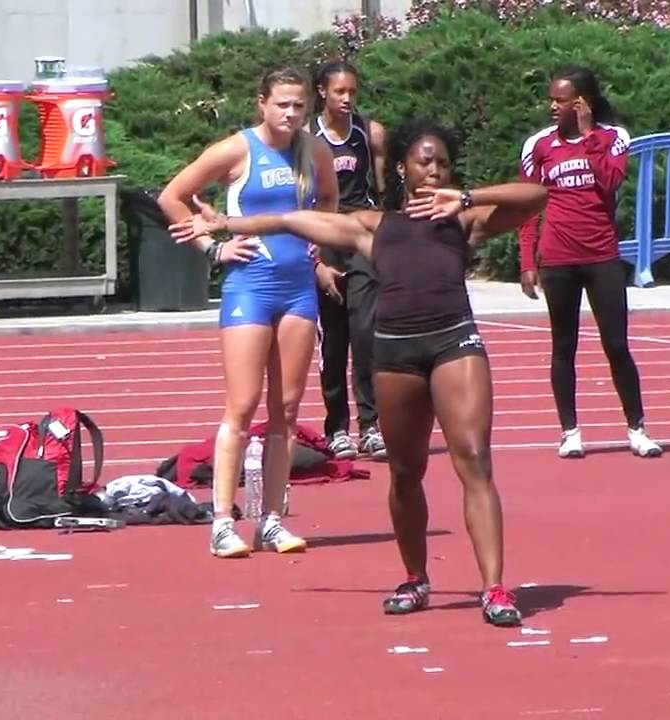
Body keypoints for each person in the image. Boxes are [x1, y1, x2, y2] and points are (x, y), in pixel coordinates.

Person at [173, 120, 547, 627]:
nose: (433, 171)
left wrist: (465, 196)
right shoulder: (373, 226)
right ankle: (416, 578)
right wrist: (225, 227)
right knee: (405, 472)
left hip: (454, 344)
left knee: (475, 461)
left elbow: (537, 195)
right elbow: (291, 220)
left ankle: (494, 587)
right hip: (395, 353)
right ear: (402, 168)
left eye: (441, 163)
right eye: (423, 161)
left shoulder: (466, 219)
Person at [158, 66, 340, 559]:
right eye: (282, 104)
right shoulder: (236, 150)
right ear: (262, 103)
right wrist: (212, 248)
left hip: (298, 290)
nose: (291, 113)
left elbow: (328, 202)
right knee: (242, 405)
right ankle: (221, 520)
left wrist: (320, 248)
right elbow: (172, 197)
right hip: (250, 288)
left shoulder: (314, 151)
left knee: (286, 409)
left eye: (299, 105)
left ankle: (272, 519)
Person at [517, 65, 664, 460]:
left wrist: (588, 134)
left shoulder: (614, 138)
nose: (553, 106)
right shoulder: (539, 145)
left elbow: (610, 181)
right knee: (563, 345)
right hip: (559, 258)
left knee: (616, 343)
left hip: (601, 256)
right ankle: (570, 432)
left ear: (583, 102)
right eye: (551, 99)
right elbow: (528, 206)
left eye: (561, 100)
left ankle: (637, 428)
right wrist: (527, 259)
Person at [311, 59, 388, 461]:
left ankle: (371, 425)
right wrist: (319, 262)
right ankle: (336, 426)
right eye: (340, 91)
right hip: (324, 236)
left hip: (359, 237)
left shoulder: (367, 132)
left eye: (352, 92)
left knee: (366, 331)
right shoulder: (306, 138)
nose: (347, 98)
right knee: (334, 339)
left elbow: (380, 188)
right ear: (322, 92)